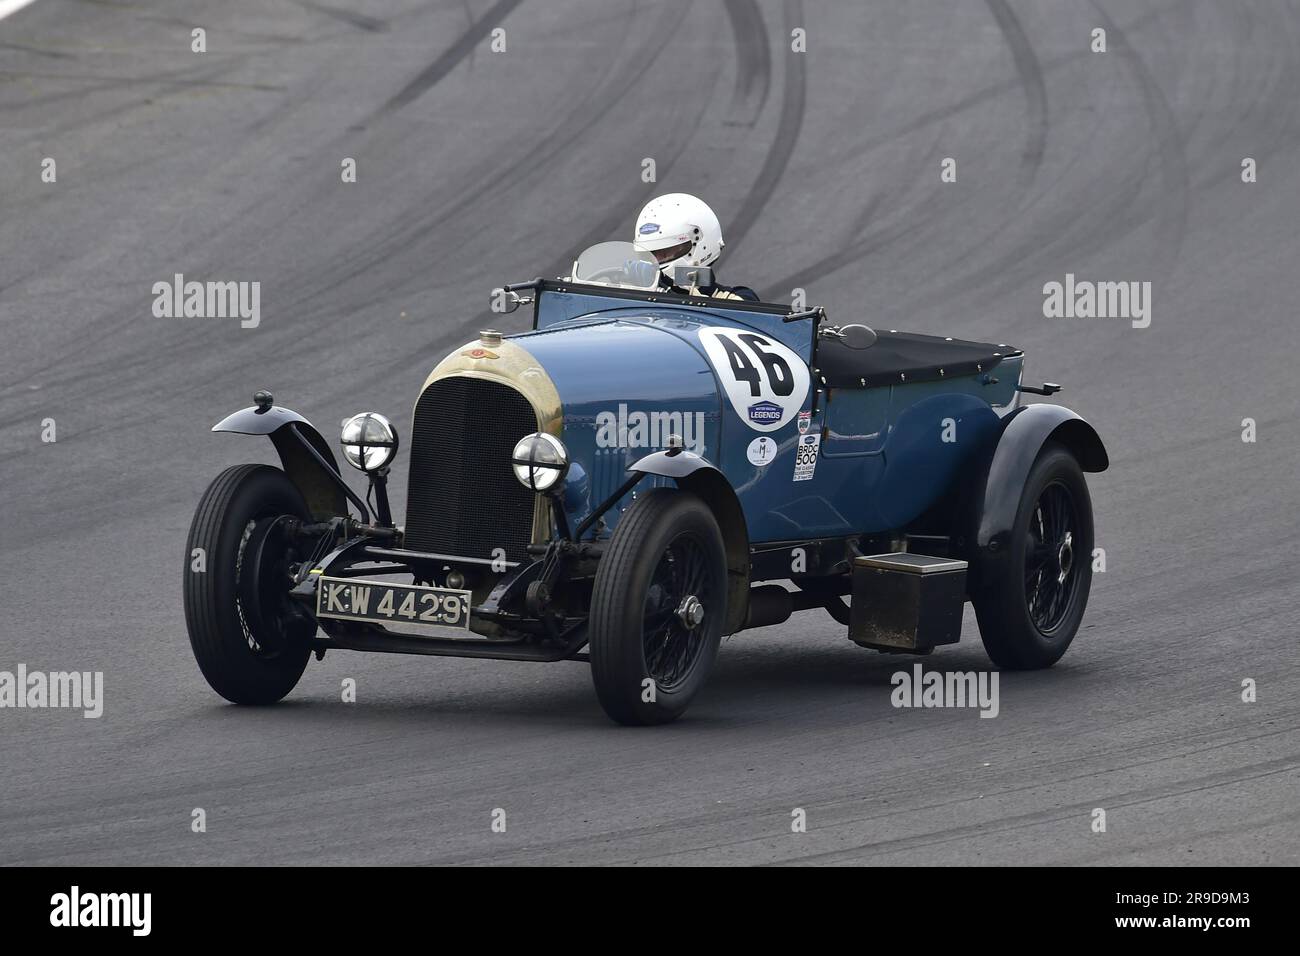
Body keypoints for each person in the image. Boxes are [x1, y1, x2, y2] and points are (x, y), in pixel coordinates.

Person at [632, 193, 759, 301]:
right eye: (649, 253)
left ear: (700, 244)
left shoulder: (736, 298)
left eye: (665, 252)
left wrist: (675, 293)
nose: (656, 260)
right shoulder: (630, 296)